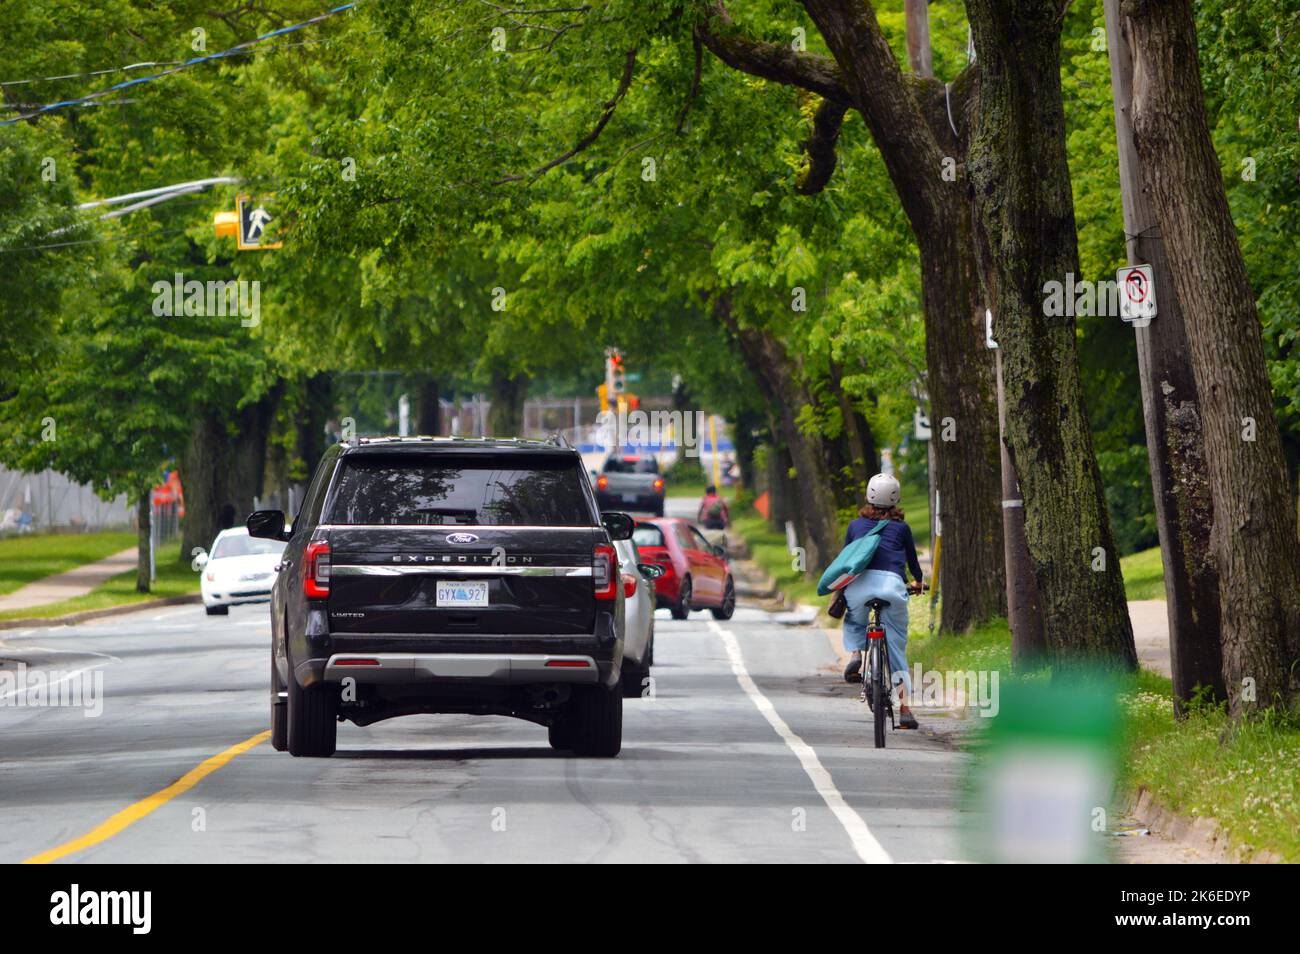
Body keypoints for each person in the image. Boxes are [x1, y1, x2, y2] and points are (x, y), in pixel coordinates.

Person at [840, 473, 924, 729]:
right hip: (891, 586)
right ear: (896, 498)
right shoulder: (901, 528)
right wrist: (918, 583)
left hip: (860, 586)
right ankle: (906, 710)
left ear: (869, 496)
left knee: (855, 616)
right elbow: (912, 563)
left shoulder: (855, 526)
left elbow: (846, 558)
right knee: (896, 646)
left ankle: (856, 653)